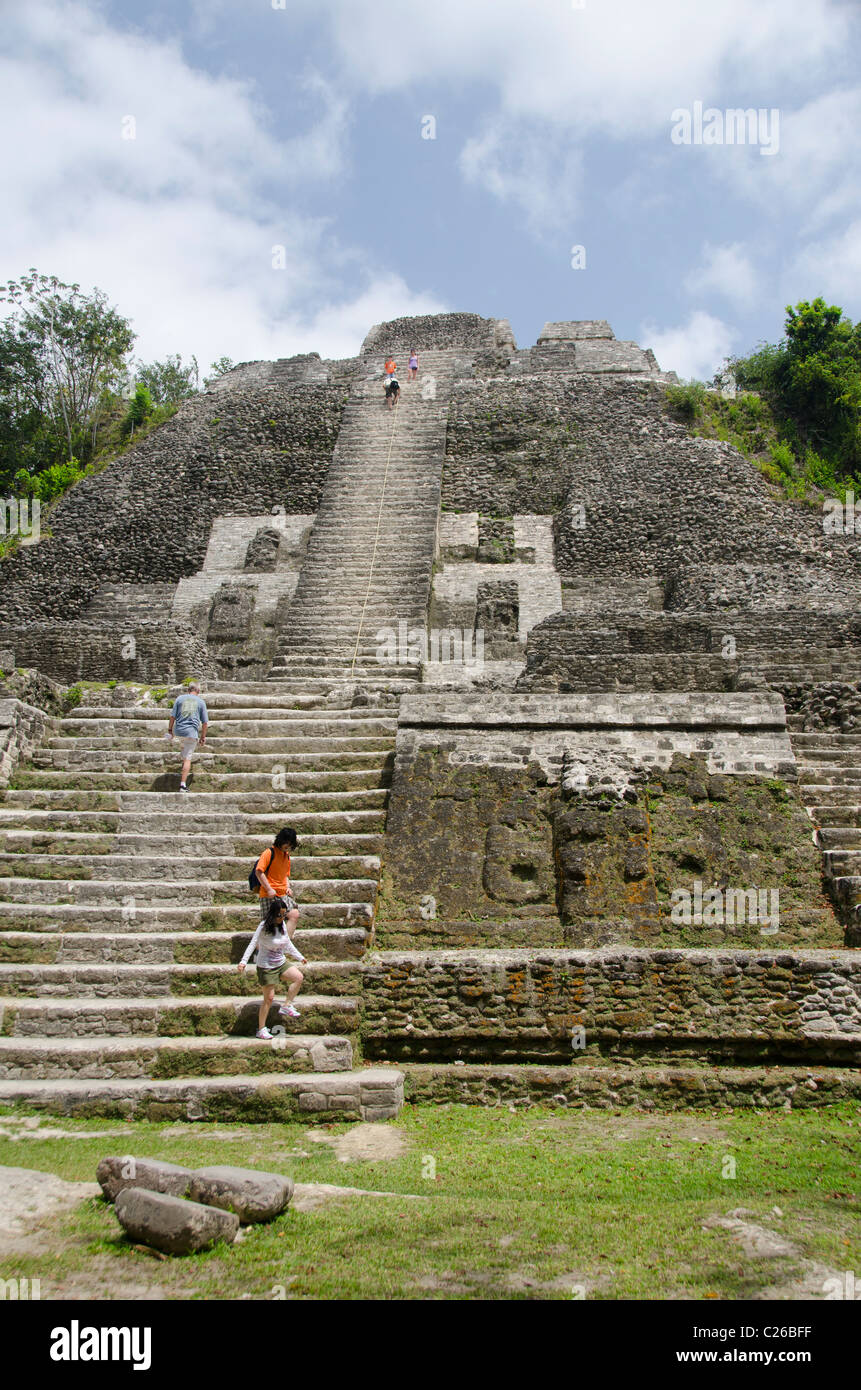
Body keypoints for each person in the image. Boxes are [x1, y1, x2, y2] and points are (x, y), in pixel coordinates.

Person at [238, 896, 307, 1039]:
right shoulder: (263, 926)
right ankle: (261, 1029)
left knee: (298, 977)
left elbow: (287, 944)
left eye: (284, 915)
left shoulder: (282, 925)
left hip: (280, 962)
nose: (282, 918)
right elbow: (252, 943)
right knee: (269, 998)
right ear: (272, 914)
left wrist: (300, 957)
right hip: (266, 966)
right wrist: (243, 962)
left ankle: (287, 1005)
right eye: (279, 915)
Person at [166, 682, 208, 792]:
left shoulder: (180, 699)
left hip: (178, 731)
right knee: (187, 759)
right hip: (191, 733)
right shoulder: (201, 702)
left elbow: (172, 716)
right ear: (198, 691)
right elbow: (204, 723)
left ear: (188, 690)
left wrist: (170, 730)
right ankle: (183, 785)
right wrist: (203, 737)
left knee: (183, 754)